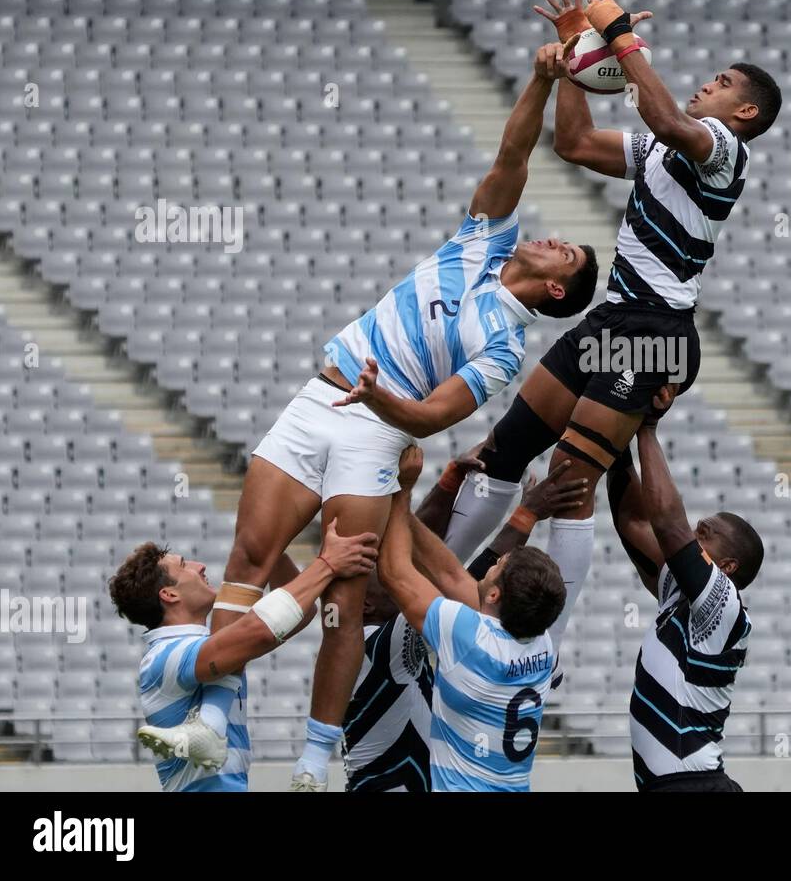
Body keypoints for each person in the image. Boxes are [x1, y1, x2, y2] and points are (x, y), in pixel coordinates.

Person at [214, 42, 598, 790]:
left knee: (348, 601)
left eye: (568, 256)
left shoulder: (502, 345)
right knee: (249, 558)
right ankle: (216, 721)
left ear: (557, 292)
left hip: (371, 424)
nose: (552, 240)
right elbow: (512, 153)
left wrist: (380, 402)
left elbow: (428, 416)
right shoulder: (481, 242)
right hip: (318, 396)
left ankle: (314, 758)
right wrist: (543, 77)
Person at [440, 0, 782, 668]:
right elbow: (573, 142)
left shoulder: (721, 150)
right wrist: (573, 55)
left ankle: (545, 655)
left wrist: (620, 36)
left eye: (720, 83)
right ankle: (443, 577)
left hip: (655, 335)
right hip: (613, 322)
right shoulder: (666, 147)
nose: (705, 86)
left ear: (742, 111)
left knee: (569, 479)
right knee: (508, 448)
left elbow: (664, 120)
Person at [341, 448, 585, 792]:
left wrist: (402, 491)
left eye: (498, 571)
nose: (491, 568)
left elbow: (416, 573)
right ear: (364, 605)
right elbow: (451, 575)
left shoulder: (465, 636)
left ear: (496, 596)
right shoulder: (539, 641)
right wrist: (407, 495)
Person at [107, 522, 379, 791]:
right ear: (169, 594)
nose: (199, 565)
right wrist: (327, 564)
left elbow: (300, 615)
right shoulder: (165, 656)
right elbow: (260, 631)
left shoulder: (199, 645)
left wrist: (270, 547)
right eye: (184, 565)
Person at [606, 388, 764, 790]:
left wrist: (647, 427)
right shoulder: (680, 593)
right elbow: (633, 522)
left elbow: (667, 524)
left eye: (704, 535)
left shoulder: (725, 604)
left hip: (693, 784)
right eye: (696, 531)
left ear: (727, 567)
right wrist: (611, 438)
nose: (693, 537)